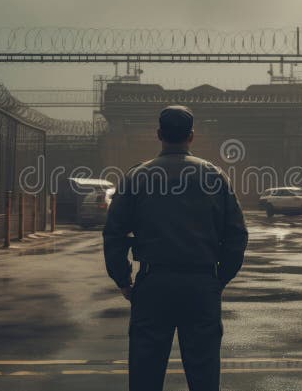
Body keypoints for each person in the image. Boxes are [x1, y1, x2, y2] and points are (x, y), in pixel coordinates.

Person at [103, 105, 249, 391]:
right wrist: (220, 278)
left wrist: (122, 279)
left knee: (145, 373)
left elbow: (114, 233)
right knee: (204, 372)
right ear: (191, 136)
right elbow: (236, 234)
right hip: (201, 283)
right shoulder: (214, 176)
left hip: (153, 282)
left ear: (159, 134)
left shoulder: (137, 176)